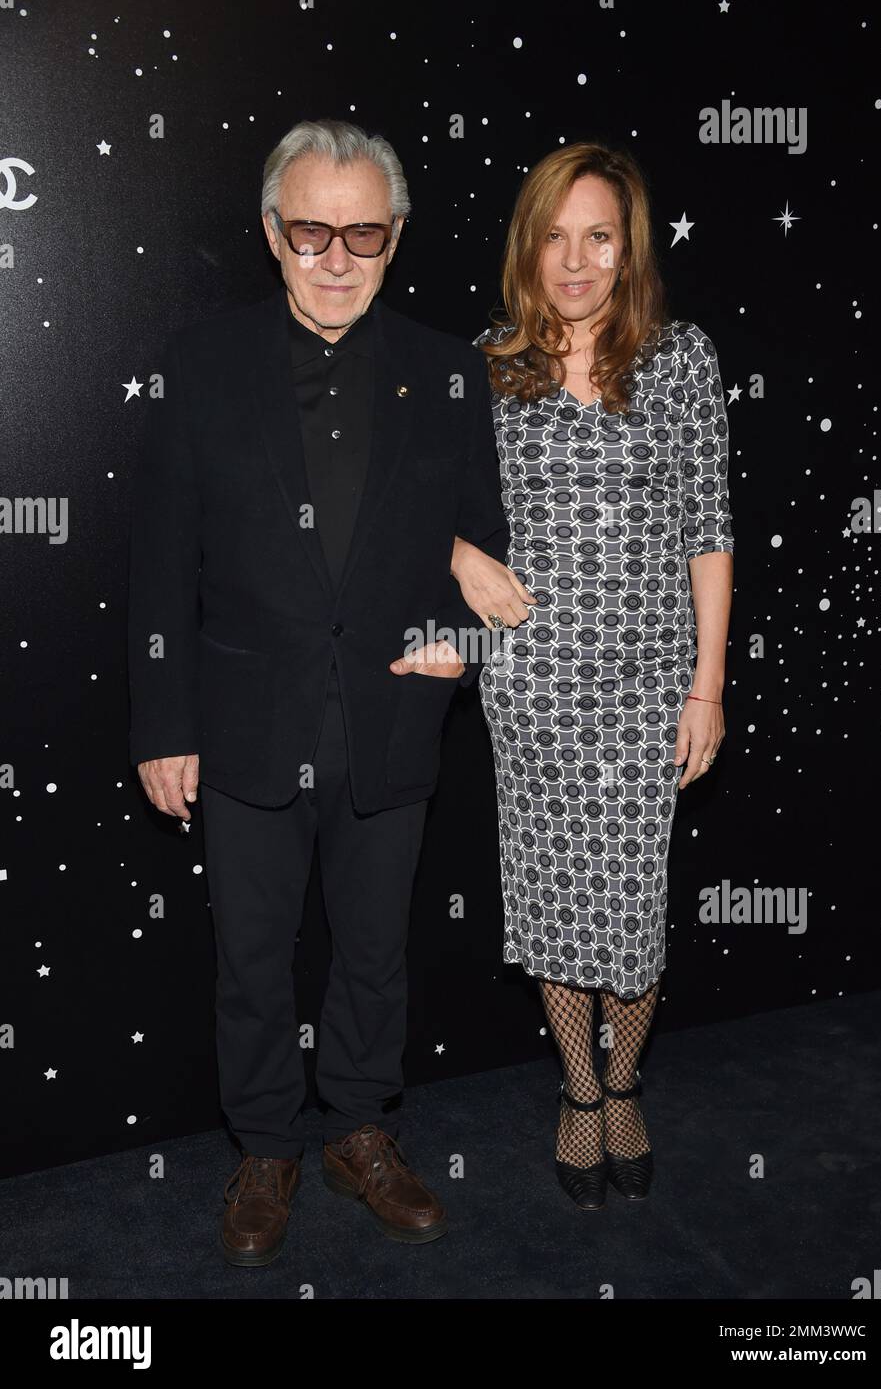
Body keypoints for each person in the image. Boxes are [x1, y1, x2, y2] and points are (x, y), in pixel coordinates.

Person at [127, 118, 508, 1264]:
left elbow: (481, 550)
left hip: (391, 716)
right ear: (270, 232)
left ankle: (358, 1129)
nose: (336, 257)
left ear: (394, 240)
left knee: (376, 951)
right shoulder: (202, 365)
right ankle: (266, 1148)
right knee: (251, 956)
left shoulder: (448, 370)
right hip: (244, 720)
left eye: (362, 233)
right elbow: (161, 563)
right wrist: (163, 725)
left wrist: (457, 646)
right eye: (310, 231)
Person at [449, 142, 735, 1209]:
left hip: (649, 684)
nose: (576, 259)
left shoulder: (679, 358)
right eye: (556, 235)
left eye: (598, 235)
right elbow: (406, 500)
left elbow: (708, 526)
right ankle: (580, 1090)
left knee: (629, 904)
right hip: (531, 687)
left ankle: (626, 1081)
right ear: (530, 246)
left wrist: (706, 684)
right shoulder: (483, 365)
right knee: (553, 902)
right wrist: (456, 554)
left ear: (628, 248)